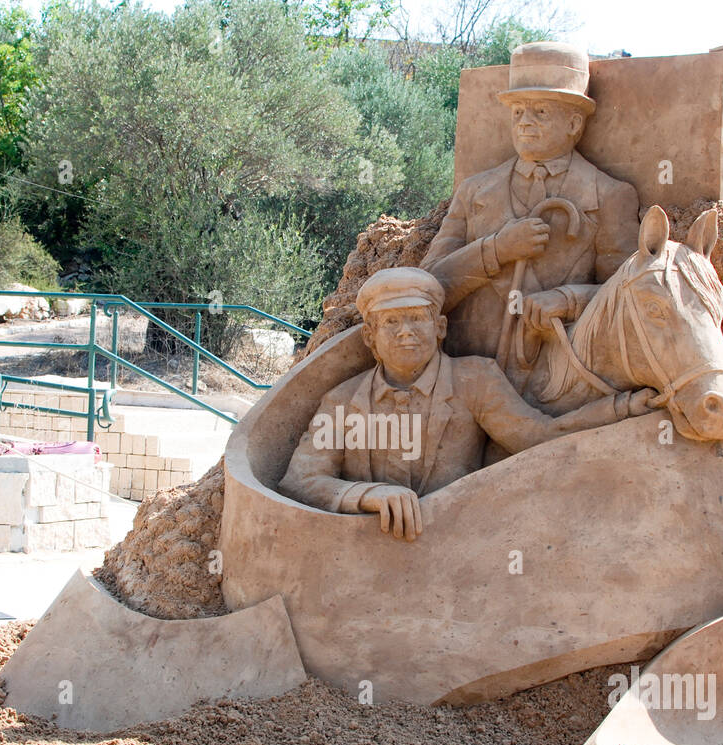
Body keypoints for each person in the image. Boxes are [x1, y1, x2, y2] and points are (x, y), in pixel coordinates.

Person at [279, 267, 654, 540]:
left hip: (458, 549)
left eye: (416, 319)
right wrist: (365, 495)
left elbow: (538, 436)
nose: (406, 331)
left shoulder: (475, 380)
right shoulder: (342, 401)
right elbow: (299, 481)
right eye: (391, 321)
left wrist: (620, 408)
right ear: (370, 337)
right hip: (366, 556)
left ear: (440, 328)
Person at [419, 41, 640, 397]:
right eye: (518, 111)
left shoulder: (610, 196)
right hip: (463, 384)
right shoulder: (474, 191)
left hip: (555, 389)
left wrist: (568, 300)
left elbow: (628, 295)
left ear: (574, 123)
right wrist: (495, 251)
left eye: (540, 111)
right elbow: (428, 289)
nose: (525, 122)